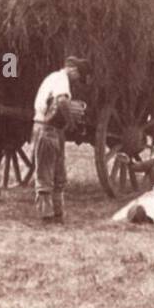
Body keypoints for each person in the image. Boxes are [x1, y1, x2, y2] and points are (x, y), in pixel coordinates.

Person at [31, 55, 89, 223]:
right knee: (46, 176)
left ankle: (57, 215)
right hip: (48, 130)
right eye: (79, 76)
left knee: (58, 176)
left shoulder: (53, 78)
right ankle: (47, 217)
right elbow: (62, 101)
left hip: (50, 130)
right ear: (74, 70)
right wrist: (71, 123)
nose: (78, 81)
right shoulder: (61, 79)